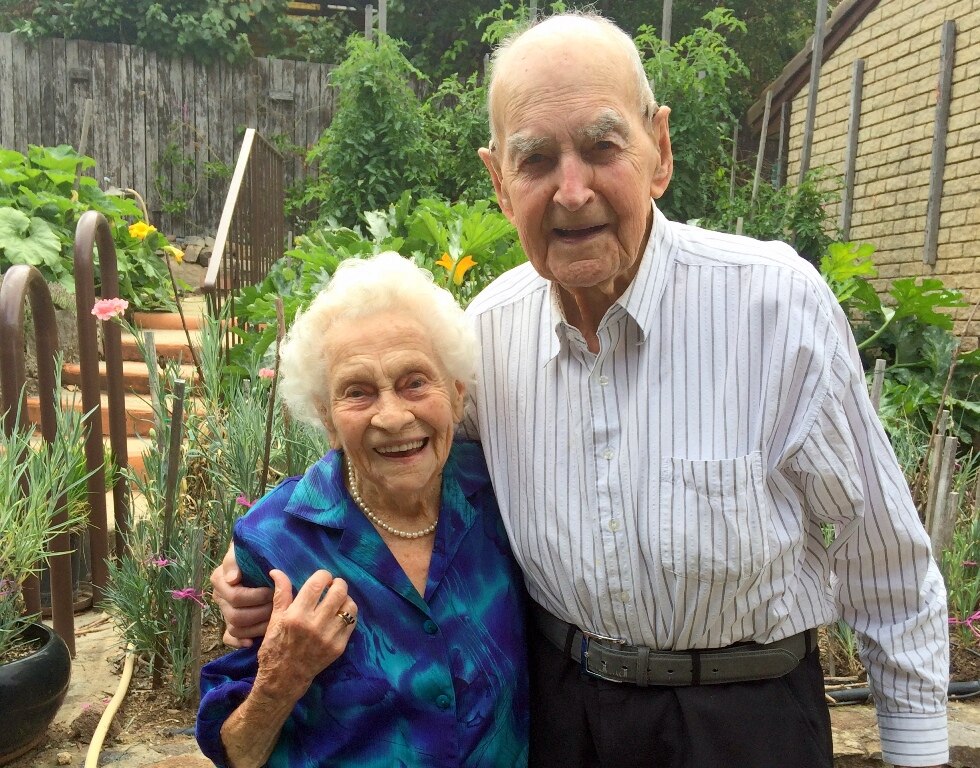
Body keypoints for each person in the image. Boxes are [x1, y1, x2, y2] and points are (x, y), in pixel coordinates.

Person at [212, 12, 949, 768]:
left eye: (602, 148)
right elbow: (402, 464)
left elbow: (884, 560)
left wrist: (917, 752)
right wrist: (265, 554)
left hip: (745, 724)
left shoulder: (775, 307)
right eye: (535, 160)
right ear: (500, 183)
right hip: (565, 720)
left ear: (658, 150)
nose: (571, 192)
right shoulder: (487, 334)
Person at [196, 252, 529, 768]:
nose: (392, 417)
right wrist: (283, 676)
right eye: (358, 392)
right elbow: (237, 751)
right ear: (328, 420)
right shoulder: (279, 540)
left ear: (458, 395)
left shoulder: (501, 495)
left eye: (415, 382)